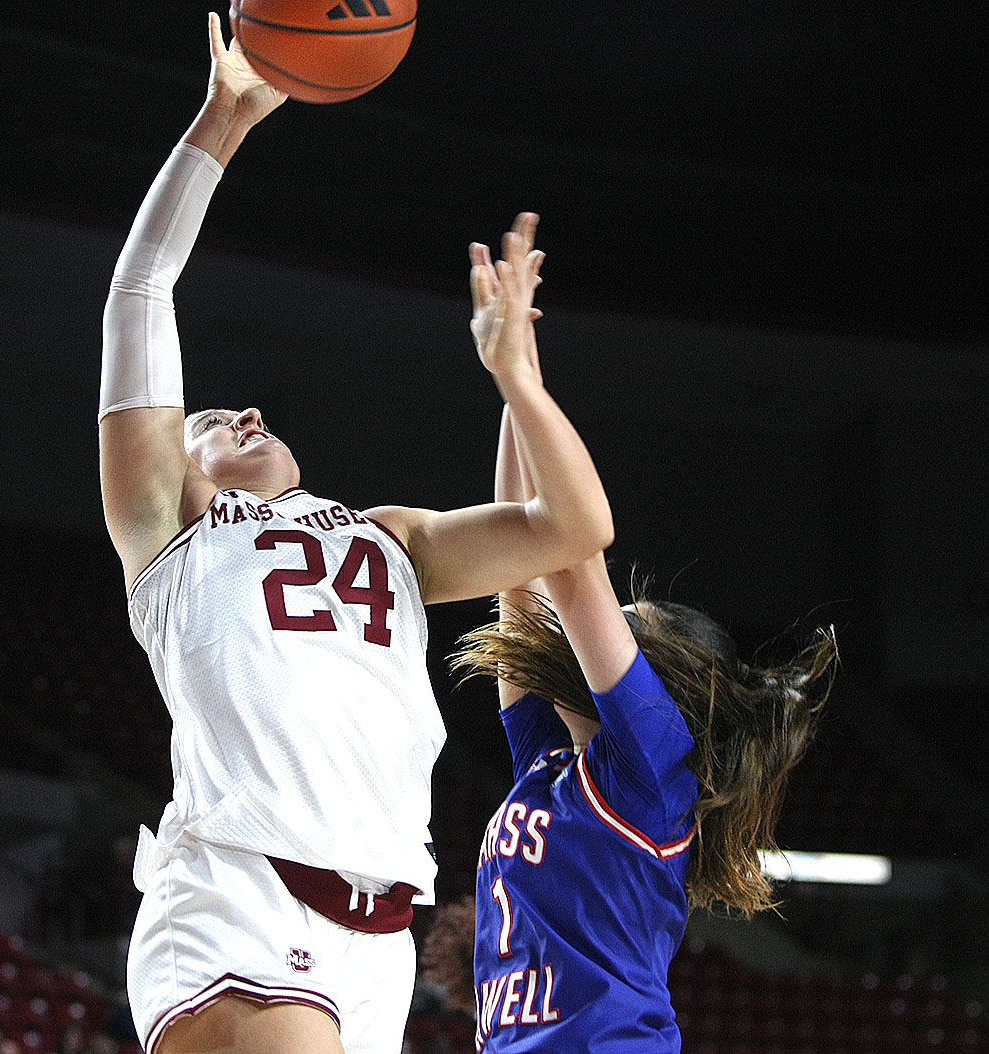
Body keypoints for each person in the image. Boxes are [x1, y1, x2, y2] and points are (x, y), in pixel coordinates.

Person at [98, 12, 613, 1054]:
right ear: (174, 464)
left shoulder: (389, 537)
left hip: (381, 933)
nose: (240, 415)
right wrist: (221, 121)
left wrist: (516, 377)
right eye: (210, 421)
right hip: (239, 895)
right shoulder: (169, 530)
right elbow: (139, 290)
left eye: (245, 408)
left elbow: (572, 526)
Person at [426, 239, 838, 1051]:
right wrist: (518, 381)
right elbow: (523, 563)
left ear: (656, 679)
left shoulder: (655, 764)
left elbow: (573, 563)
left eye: (628, 622)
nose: (601, 624)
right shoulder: (549, 764)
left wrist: (518, 377)